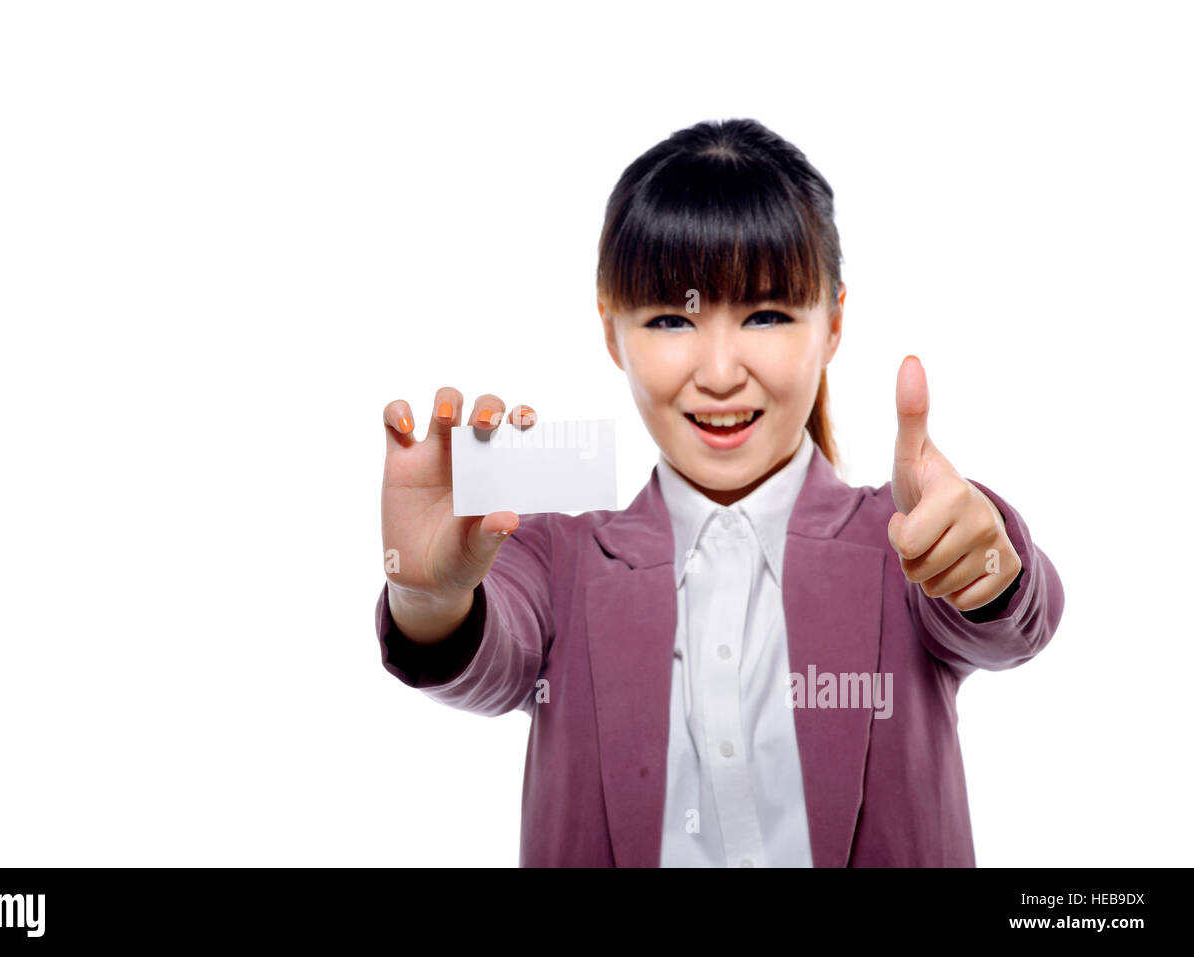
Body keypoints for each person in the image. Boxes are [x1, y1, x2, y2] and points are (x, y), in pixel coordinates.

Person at [374, 118, 1065, 867]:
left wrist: (985, 562)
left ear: (833, 322)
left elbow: (1012, 624)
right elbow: (488, 654)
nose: (721, 372)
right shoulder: (556, 556)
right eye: (671, 319)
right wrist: (427, 597)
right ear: (612, 333)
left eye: (766, 315)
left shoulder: (902, 541)